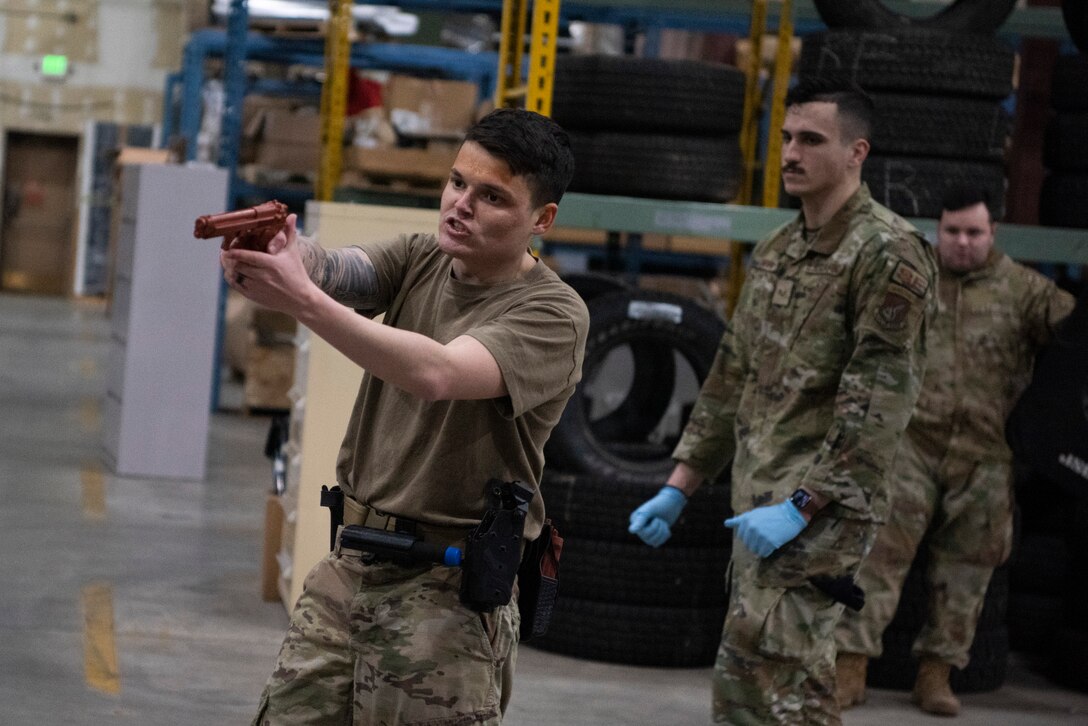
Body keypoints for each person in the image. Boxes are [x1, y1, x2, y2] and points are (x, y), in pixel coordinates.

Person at [221, 107, 588, 725]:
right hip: (349, 570)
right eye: (457, 182)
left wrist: (301, 300)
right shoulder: (420, 258)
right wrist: (283, 252)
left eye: (492, 196)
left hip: (446, 600)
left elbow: (438, 373)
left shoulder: (554, 313)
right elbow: (336, 270)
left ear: (541, 219)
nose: (461, 204)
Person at [627, 77, 938, 724]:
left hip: (819, 507)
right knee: (760, 680)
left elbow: (878, 402)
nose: (790, 153)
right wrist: (679, 485)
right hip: (758, 499)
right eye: (787, 137)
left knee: (772, 681)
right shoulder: (777, 250)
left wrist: (802, 506)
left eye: (811, 140)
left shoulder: (887, 253)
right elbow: (731, 375)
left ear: (857, 152)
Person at [833, 187, 1076, 716]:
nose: (962, 243)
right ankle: (849, 669)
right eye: (952, 232)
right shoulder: (910, 284)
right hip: (910, 447)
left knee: (968, 572)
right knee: (875, 558)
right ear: (936, 232)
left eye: (974, 233)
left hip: (986, 455)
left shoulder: (1027, 292)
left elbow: (1074, 342)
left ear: (994, 235)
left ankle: (935, 678)